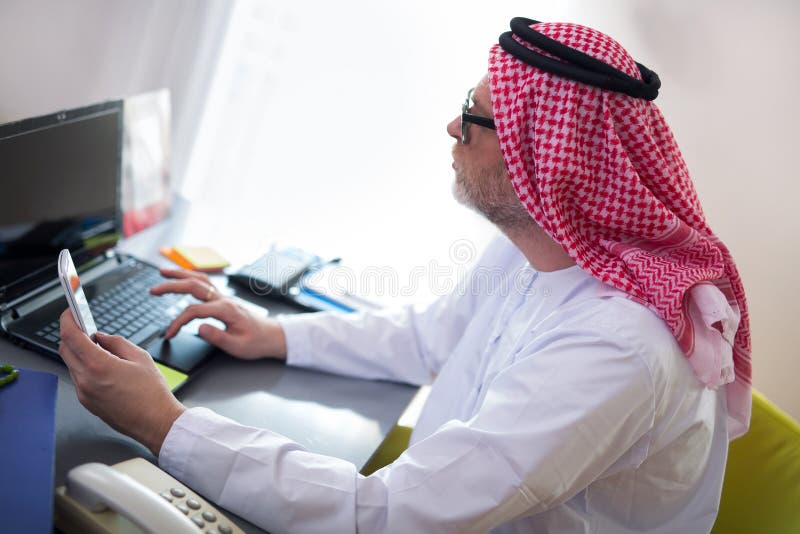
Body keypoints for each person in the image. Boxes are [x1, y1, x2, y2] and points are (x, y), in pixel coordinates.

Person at [59, 18, 751, 534]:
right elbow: (428, 339)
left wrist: (162, 423)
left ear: (545, 162)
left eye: (478, 118)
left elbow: (392, 514)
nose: (453, 126)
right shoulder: (539, 243)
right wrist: (273, 336)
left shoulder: (617, 348)